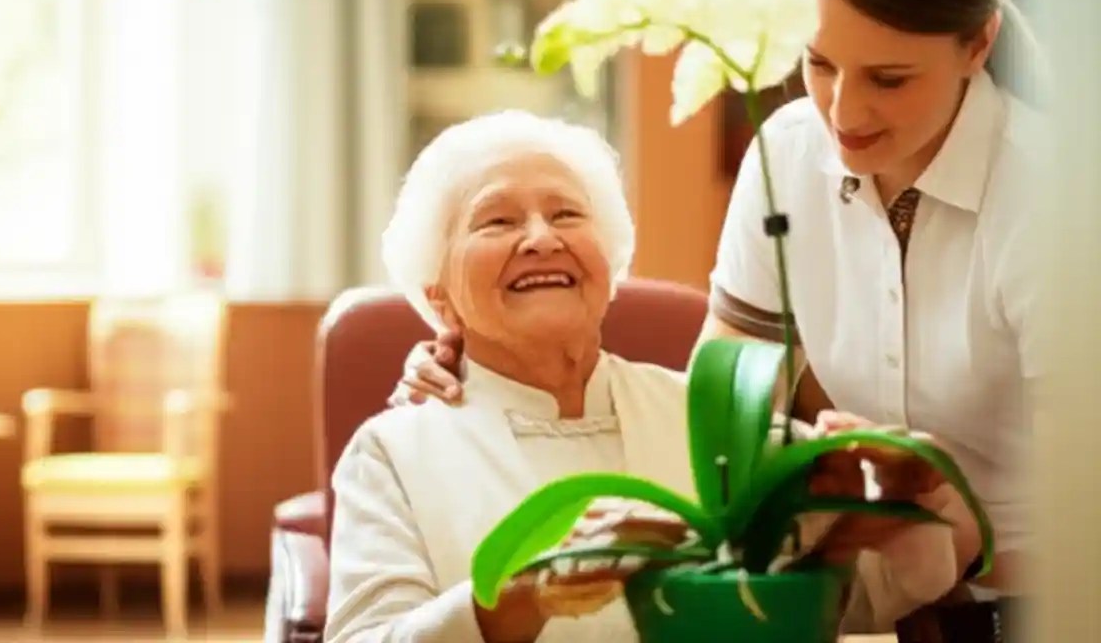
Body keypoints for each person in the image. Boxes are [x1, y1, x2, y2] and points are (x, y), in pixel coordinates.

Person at [393, 0, 1039, 617]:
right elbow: (723, 426)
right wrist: (491, 368)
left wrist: (965, 547)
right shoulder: (788, 156)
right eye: (818, 64)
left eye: (888, 78)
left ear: (979, 43)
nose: (842, 112)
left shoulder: (1058, 201)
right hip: (882, 598)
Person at [326, 110, 980, 643]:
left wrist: (901, 496)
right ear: (437, 296)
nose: (540, 238)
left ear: (608, 270)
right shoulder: (391, 453)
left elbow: (863, 596)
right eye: (497, 220)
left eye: (566, 215)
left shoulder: (711, 421)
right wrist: (526, 594)